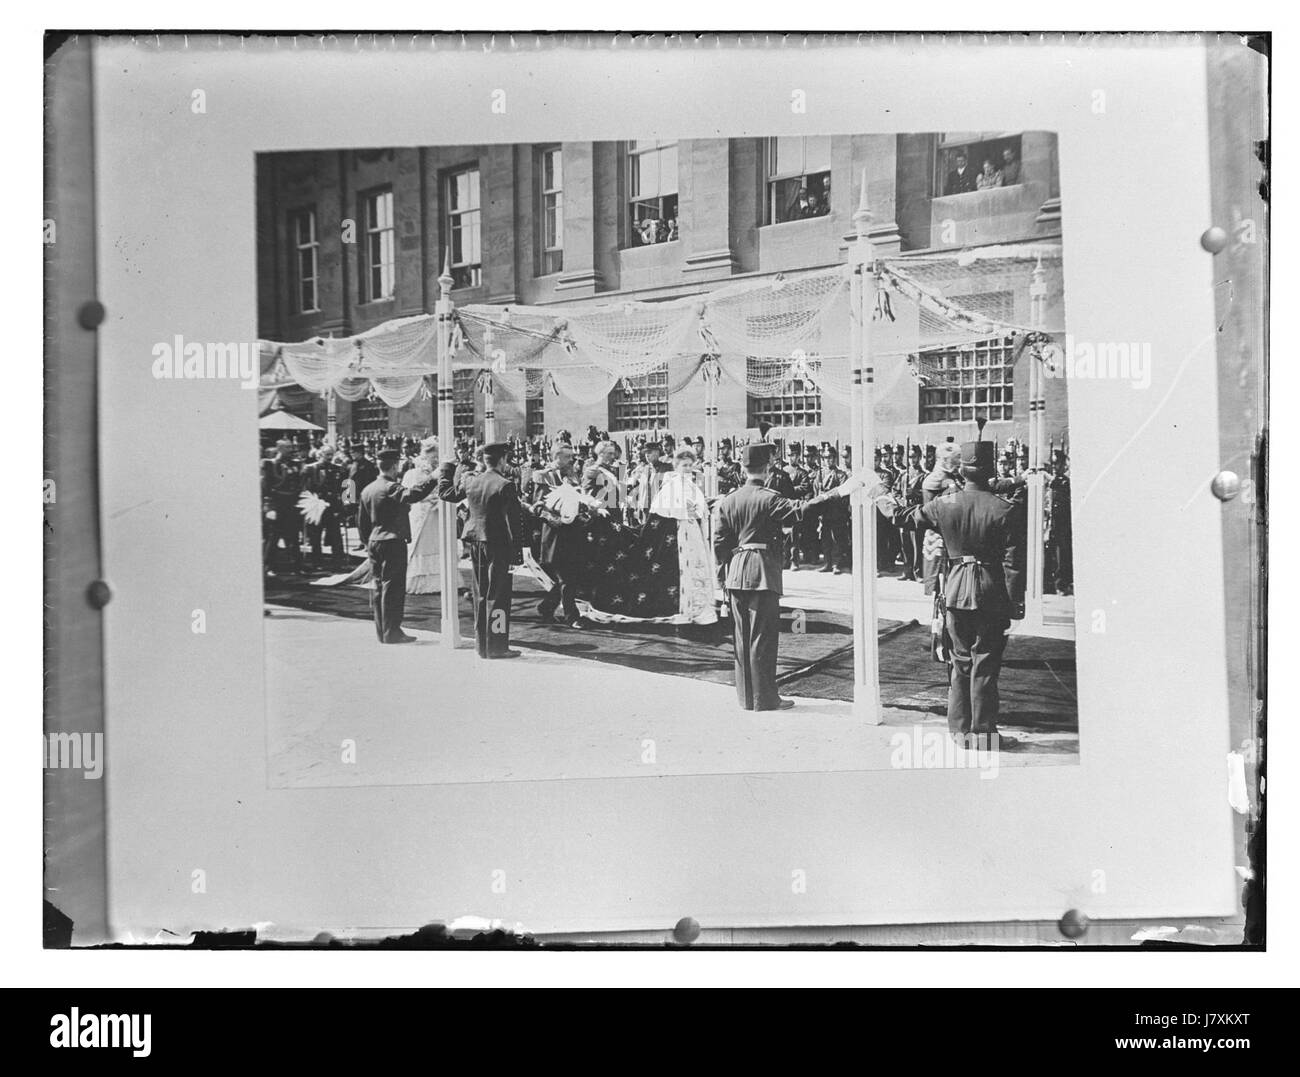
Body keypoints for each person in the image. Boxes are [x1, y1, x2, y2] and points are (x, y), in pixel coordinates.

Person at [890, 441, 1025, 750]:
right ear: (990, 473)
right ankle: (984, 734)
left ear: (962, 471)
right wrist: (1016, 605)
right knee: (986, 665)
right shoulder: (1005, 509)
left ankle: (960, 731)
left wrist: (879, 497)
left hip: (954, 592)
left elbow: (905, 517)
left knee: (959, 661)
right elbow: (1013, 564)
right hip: (991, 593)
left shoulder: (945, 504)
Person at [714, 444, 841, 711]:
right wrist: (835, 493)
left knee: (741, 637)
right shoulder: (769, 498)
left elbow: (719, 543)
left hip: (736, 572)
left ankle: (746, 698)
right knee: (763, 637)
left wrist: (724, 575)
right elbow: (801, 509)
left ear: (743, 468)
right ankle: (765, 699)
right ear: (768, 468)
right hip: (762, 572)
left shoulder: (729, 500)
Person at [585, 446, 718, 625]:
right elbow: (664, 511)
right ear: (676, 466)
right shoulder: (670, 485)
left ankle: (698, 607)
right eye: (684, 465)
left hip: (692, 532)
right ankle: (683, 607)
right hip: (675, 534)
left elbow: (698, 506)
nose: (687, 469)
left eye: (689, 465)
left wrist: (699, 509)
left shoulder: (692, 484)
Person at [438, 441, 524, 659]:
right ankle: (497, 646)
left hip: (475, 541)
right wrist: (518, 555)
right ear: (503, 459)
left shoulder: (471, 481)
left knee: (480, 594)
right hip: (498, 544)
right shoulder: (506, 484)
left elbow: (446, 493)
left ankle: (482, 646)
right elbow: (515, 522)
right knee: (499, 597)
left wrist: (446, 469)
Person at [357, 449, 441, 645]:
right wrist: (434, 478)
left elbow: (361, 521)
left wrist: (366, 542)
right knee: (393, 588)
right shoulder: (390, 487)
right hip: (392, 542)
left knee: (379, 587)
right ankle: (392, 631)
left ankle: (383, 631)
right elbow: (413, 494)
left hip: (374, 541)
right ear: (394, 466)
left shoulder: (368, 489)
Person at [531, 442, 593, 629]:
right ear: (556, 457)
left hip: (573, 533)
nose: (572, 459)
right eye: (567, 457)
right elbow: (538, 506)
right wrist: (558, 520)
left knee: (570, 576)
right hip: (555, 535)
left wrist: (585, 513)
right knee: (566, 577)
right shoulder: (543, 476)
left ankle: (546, 607)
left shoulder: (573, 475)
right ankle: (571, 616)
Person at [814, 447, 849, 574]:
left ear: (835, 459)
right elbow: (815, 492)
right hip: (825, 512)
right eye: (826, 458)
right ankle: (827, 562)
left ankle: (836, 563)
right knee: (825, 538)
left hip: (837, 512)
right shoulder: (820, 474)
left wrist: (828, 496)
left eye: (831, 458)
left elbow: (843, 493)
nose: (828, 460)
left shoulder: (841, 475)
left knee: (837, 539)